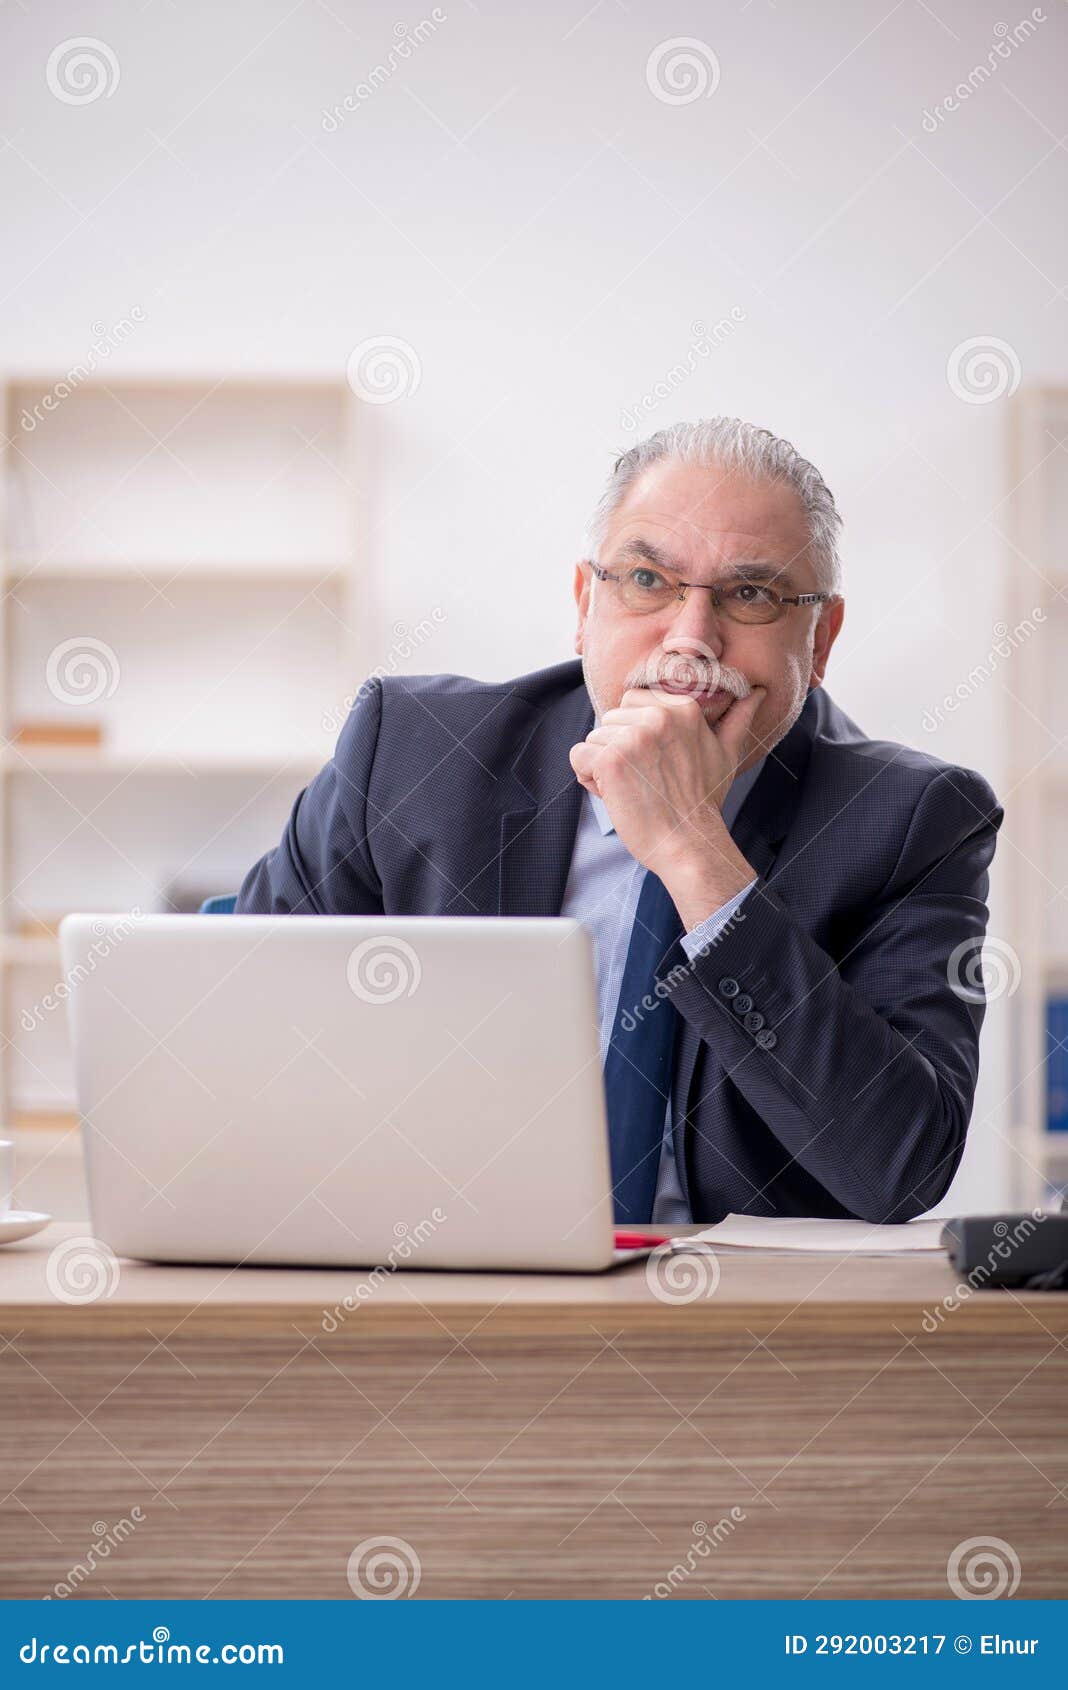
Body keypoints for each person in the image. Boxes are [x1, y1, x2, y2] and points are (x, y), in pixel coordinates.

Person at [235, 418, 1002, 1225]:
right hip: (431, 1273)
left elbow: (901, 1169)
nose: (689, 640)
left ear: (821, 640)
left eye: (750, 594)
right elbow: (234, 1033)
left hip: (735, 1327)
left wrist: (694, 850)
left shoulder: (914, 820)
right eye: (646, 579)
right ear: (584, 603)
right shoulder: (412, 754)